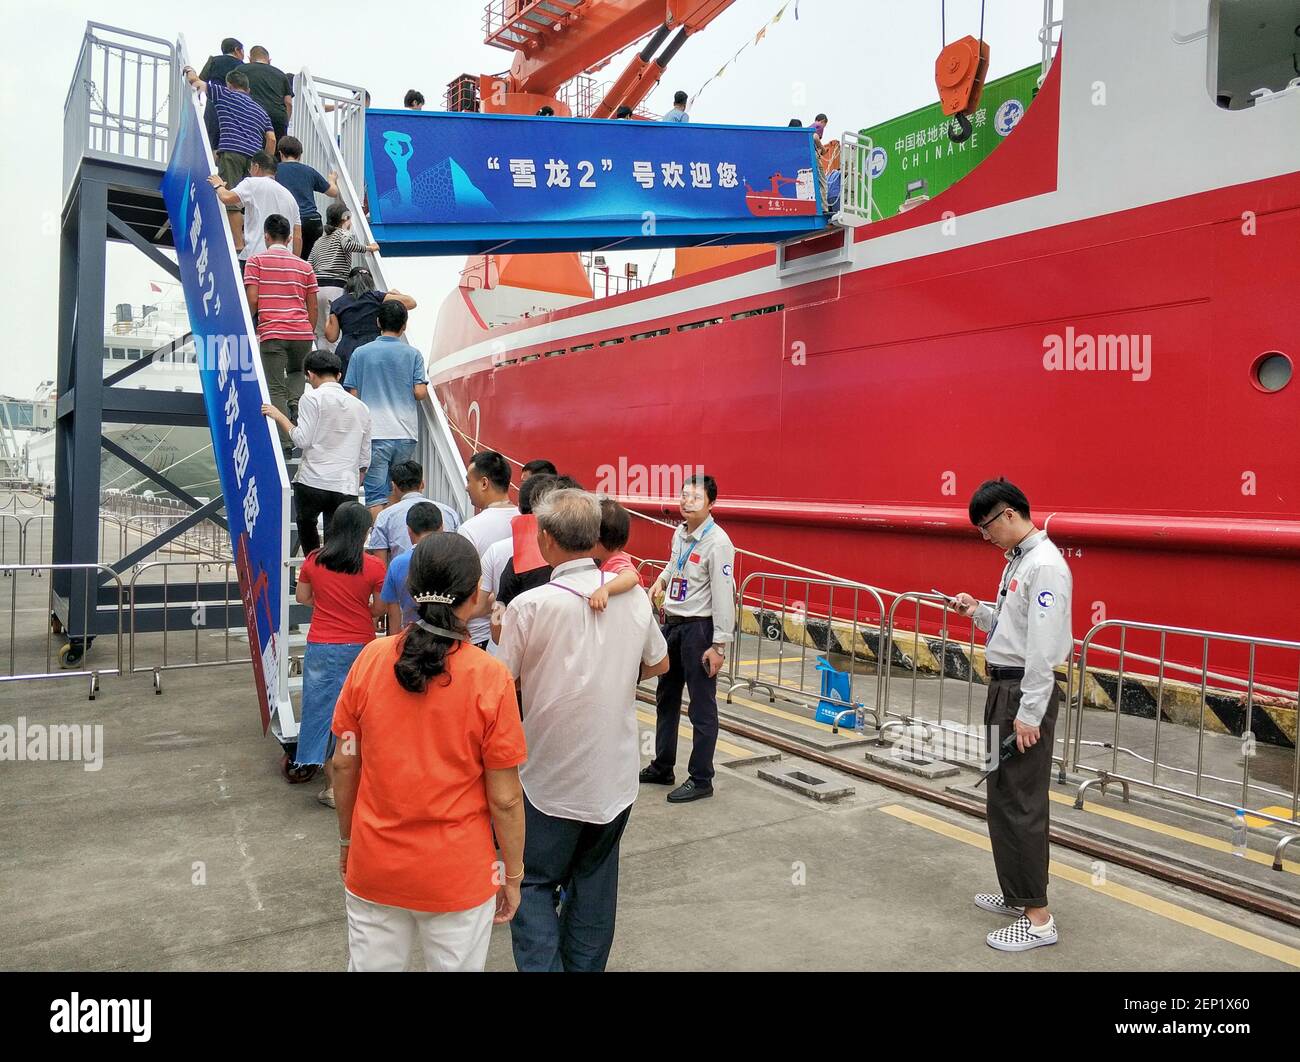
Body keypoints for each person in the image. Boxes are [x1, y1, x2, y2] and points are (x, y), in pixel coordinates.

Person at [332, 533, 527, 972]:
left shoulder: (370, 659)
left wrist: (348, 841)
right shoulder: (490, 678)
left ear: (410, 589)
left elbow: (345, 760)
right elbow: (506, 797)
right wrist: (512, 873)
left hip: (375, 864)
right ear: (474, 593)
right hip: (457, 873)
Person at [498, 489, 669, 972]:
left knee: (532, 881)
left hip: (548, 777)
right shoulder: (633, 598)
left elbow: (499, 684)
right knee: (595, 883)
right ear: (595, 538)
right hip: (614, 776)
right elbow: (660, 662)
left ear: (546, 540)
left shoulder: (529, 607)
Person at [948, 478, 1073, 953]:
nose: (985, 537)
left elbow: (1042, 650)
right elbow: (1012, 626)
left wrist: (1029, 713)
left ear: (1008, 515)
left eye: (986, 527)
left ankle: (1038, 920)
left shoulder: (1044, 567)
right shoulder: (1020, 562)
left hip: (1023, 690)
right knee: (1002, 794)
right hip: (1007, 685)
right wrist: (976, 611)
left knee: (1020, 799)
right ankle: (1016, 893)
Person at [641, 474, 736, 804]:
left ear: (711, 503)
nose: (687, 501)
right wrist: (662, 581)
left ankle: (701, 778)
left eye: (695, 497)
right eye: (684, 495)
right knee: (665, 698)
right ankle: (663, 765)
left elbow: (724, 596)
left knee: (701, 707)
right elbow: (674, 564)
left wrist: (719, 645)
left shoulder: (719, 543)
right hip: (673, 625)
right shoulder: (680, 534)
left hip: (700, 630)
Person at [291, 502, 386, 807]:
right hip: (360, 646)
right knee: (358, 716)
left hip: (321, 644)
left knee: (322, 712)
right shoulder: (373, 566)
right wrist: (361, 610)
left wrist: (328, 606)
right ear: (363, 531)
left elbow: (302, 597)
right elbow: (381, 607)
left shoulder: (313, 560)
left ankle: (333, 786)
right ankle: (359, 782)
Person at [262, 349, 371, 556]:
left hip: (313, 481)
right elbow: (365, 456)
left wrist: (280, 416)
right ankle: (331, 576)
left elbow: (302, 439)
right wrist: (355, 480)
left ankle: (313, 565)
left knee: (306, 524)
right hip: (345, 485)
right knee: (337, 537)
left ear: (310, 374)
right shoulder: (361, 407)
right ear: (339, 375)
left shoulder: (311, 398)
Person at [343, 301, 428, 515]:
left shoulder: (360, 353)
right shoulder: (413, 354)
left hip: (374, 433)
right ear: (404, 325)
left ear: (378, 322)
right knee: (399, 490)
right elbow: (420, 393)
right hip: (405, 432)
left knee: (375, 494)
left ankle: (379, 544)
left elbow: (353, 395)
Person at [241, 212, 315, 450]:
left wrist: (248, 324)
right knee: (296, 373)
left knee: (275, 387)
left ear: (266, 236)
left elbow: (252, 299)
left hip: (273, 333)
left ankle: (284, 442)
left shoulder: (256, 261)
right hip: (302, 333)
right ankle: (296, 405)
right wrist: (308, 330)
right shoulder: (305, 266)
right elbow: (312, 304)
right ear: (289, 237)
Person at [456, 451, 519, 649]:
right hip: (518, 630)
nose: (466, 487)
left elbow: (463, 586)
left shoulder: (470, 529)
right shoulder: (525, 521)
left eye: (469, 481)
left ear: (484, 483)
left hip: (480, 635)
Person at [182, 66, 275, 197]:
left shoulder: (224, 93)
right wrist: (265, 162)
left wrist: (189, 70)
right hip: (255, 160)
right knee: (246, 201)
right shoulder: (262, 111)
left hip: (232, 154)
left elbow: (195, 82)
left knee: (229, 201)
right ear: (248, 90)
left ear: (229, 85)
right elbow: (271, 139)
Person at [308, 204, 378, 352]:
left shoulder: (319, 241)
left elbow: (309, 264)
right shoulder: (343, 234)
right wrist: (367, 248)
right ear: (345, 219)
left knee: (320, 332)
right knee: (334, 332)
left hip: (316, 288)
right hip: (335, 286)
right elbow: (348, 245)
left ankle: (321, 366)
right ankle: (335, 365)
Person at [208, 152, 301, 261]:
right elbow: (298, 237)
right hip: (285, 261)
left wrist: (218, 185)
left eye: (250, 168)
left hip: (256, 256)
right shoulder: (290, 197)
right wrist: (294, 261)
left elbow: (226, 198)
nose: (249, 172)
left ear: (256, 167)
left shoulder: (252, 183)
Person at [328, 268, 417, 378]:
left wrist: (331, 313)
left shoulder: (338, 303)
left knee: (349, 386)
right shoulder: (377, 297)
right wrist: (397, 294)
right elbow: (411, 303)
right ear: (370, 282)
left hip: (347, 348)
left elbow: (331, 336)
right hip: (374, 345)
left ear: (349, 282)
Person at [368, 459, 460, 563]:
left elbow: (381, 562)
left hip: (402, 575)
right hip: (443, 574)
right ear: (422, 484)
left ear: (393, 486)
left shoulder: (385, 516)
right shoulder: (449, 512)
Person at [379, 501, 443, 632]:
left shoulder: (397, 563)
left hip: (410, 636)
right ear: (441, 527)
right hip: (447, 636)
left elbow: (393, 612)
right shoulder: (451, 558)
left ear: (409, 530)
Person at [275, 136, 340, 263]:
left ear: (280, 154)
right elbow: (333, 192)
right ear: (300, 155)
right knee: (309, 263)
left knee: (288, 261)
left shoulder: (275, 171)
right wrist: (332, 180)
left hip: (289, 222)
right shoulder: (309, 171)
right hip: (313, 221)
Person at [589, 497, 643, 612]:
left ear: (597, 539)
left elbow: (631, 576)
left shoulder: (617, 561)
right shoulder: (606, 559)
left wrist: (605, 589)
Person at [196, 38, 244, 150]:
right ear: (237, 50)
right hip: (233, 107)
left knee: (209, 140)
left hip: (213, 105)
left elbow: (201, 80)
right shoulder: (242, 66)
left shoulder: (214, 60)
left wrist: (198, 100)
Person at [242, 46, 293, 141]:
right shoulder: (281, 75)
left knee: (253, 150)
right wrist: (285, 122)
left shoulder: (241, 70)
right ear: (269, 60)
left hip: (252, 116)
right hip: (277, 119)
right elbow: (288, 103)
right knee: (276, 152)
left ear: (249, 59)